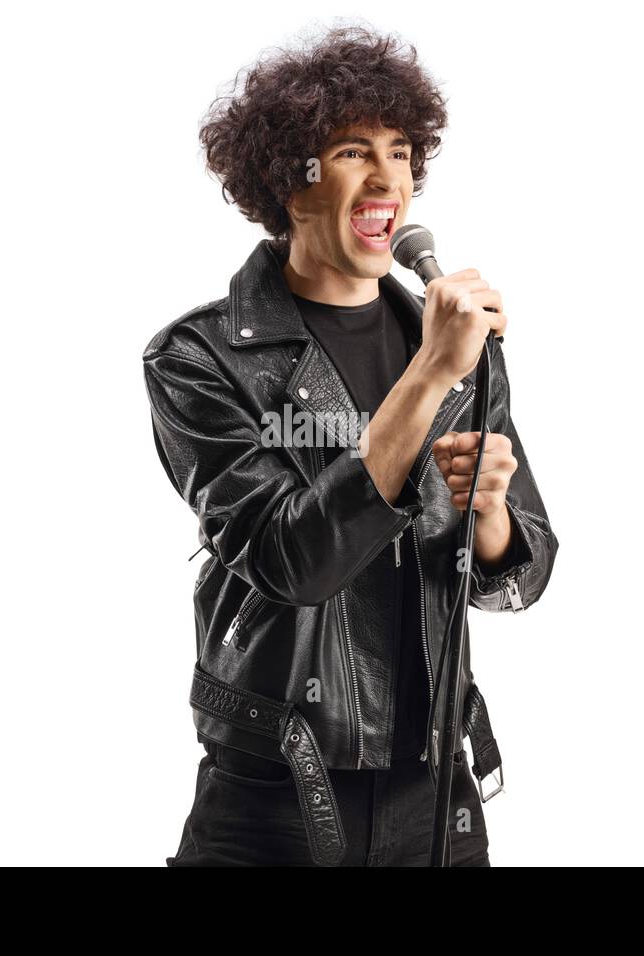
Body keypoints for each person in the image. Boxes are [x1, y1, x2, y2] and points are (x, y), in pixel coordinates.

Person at [141, 25, 558, 866]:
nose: (388, 179)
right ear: (286, 183)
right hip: (276, 796)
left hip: (438, 794)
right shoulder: (201, 357)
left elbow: (526, 571)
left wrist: (489, 521)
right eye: (351, 152)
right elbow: (293, 559)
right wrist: (429, 376)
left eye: (402, 153)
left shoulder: (456, 345)